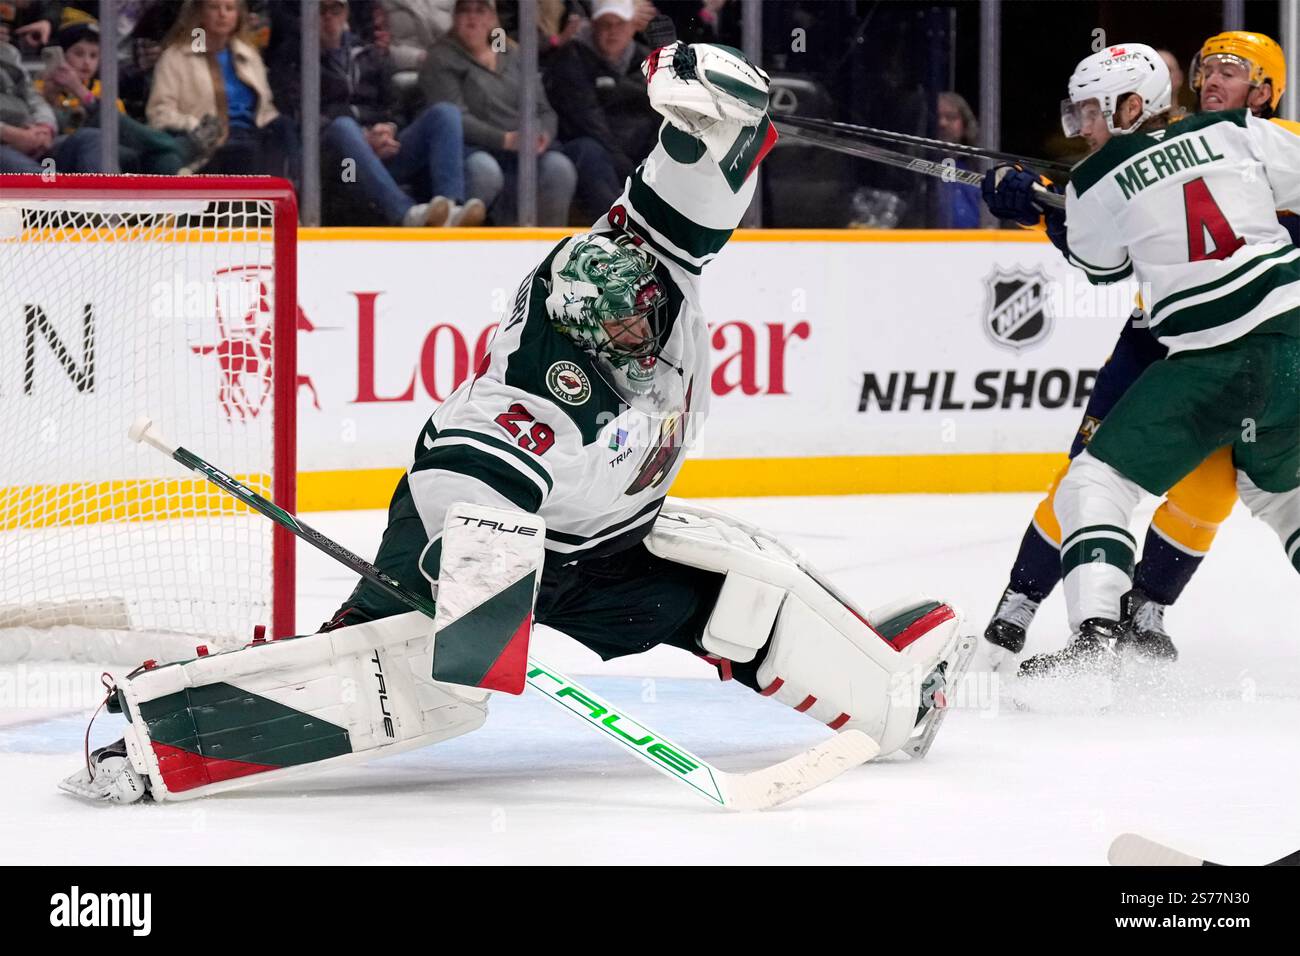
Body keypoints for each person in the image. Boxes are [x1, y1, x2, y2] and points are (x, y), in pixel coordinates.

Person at [63, 41, 969, 804]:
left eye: (643, 321)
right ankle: (153, 730)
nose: (642, 335)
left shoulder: (639, 262)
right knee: (414, 678)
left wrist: (711, 105)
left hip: (608, 549)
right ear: (585, 340)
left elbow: (697, 175)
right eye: (623, 333)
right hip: (465, 540)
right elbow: (470, 483)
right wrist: (485, 615)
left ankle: (889, 695)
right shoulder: (539, 399)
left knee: (739, 592)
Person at [981, 31, 1300, 669]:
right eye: (1204, 68)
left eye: (1231, 71)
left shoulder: (1260, 136)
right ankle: (1019, 607)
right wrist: (1056, 203)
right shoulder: (1232, 136)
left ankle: (1134, 613)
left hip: (1215, 341)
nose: (1212, 80)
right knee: (1090, 470)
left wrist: (1053, 207)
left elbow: (1102, 252)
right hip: (1172, 337)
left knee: (1184, 490)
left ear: (1264, 90)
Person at [316, 0, 485, 227]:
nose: (329, 17)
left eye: (335, 9)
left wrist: (389, 128)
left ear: (346, 13)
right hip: (344, 168)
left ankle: (449, 209)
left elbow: (394, 107)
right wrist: (363, 138)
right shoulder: (295, 58)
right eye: (321, 10)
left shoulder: (369, 54)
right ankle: (405, 213)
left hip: (381, 157)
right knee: (344, 127)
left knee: (445, 113)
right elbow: (303, 118)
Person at [419, 0, 577, 225]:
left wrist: (541, 135)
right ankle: (465, 247)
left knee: (559, 168)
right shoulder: (440, 56)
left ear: (493, 18)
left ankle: (549, 251)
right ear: (454, 17)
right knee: (485, 170)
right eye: (465, 11)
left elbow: (544, 110)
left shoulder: (512, 53)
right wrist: (504, 140)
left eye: (480, 11)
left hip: (524, 150)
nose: (472, 18)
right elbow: (455, 118)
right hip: (472, 148)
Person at [146, 0, 296, 178]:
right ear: (200, 13)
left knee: (285, 129)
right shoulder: (177, 57)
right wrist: (193, 125)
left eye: (229, 8)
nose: (222, 14)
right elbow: (159, 113)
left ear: (238, 15)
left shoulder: (248, 55)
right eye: (214, 8)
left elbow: (266, 109)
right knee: (244, 152)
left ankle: (298, 198)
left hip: (251, 135)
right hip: (205, 144)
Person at [543, 0, 659, 220]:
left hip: (635, 151)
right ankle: (617, 227)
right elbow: (588, 120)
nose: (613, 31)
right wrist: (625, 167)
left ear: (633, 26)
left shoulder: (649, 63)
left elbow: (660, 118)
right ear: (593, 25)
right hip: (592, 149)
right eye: (606, 24)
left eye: (620, 24)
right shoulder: (572, 58)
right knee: (590, 151)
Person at [39, 17, 190, 175]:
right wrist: (56, 92)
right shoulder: (43, 87)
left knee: (165, 157)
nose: (86, 62)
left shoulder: (105, 90)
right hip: (69, 154)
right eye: (79, 54)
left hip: (115, 151)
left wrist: (83, 93)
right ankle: (179, 146)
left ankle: (172, 159)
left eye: (93, 56)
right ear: (61, 55)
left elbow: (124, 131)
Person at [0, 33, 102, 173]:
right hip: (5, 141)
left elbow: (33, 97)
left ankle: (103, 193)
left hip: (32, 136)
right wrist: (10, 134)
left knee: (92, 138)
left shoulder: (9, 53)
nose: (86, 62)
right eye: (79, 54)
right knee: (33, 172)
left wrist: (45, 128)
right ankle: (58, 192)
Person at [933, 91, 981, 228]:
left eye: (951, 117)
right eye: (937, 117)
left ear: (965, 126)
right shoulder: (917, 168)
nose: (942, 123)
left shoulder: (981, 167)